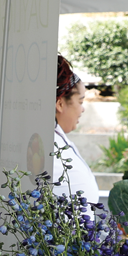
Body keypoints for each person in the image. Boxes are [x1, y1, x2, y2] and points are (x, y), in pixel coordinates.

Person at [52, 55, 99, 201]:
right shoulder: (49, 144)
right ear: (60, 104)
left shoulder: (56, 138)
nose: (82, 109)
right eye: (80, 101)